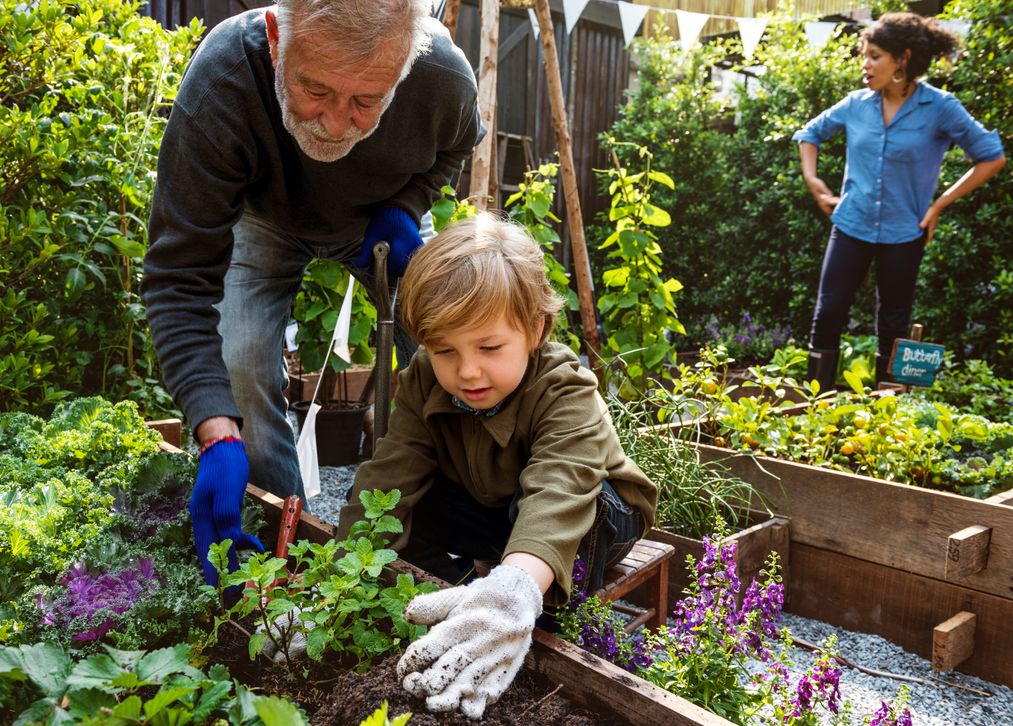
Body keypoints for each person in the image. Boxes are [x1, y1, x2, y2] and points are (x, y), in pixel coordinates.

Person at [140, 0, 482, 584]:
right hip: (264, 221)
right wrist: (216, 431)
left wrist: (406, 207)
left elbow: (456, 144)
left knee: (457, 345)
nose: (333, 121)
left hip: (379, 221)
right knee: (240, 370)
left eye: (366, 102)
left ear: (404, 68)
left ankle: (455, 527)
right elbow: (179, 278)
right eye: (314, 89)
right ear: (277, 38)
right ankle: (283, 547)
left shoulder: (441, 75)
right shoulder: (225, 78)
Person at [334, 213, 658, 718]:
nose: (467, 370)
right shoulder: (426, 379)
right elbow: (390, 473)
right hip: (492, 501)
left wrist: (517, 590)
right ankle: (464, 593)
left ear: (534, 329)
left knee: (569, 515)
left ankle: (532, 615)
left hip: (593, 510)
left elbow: (559, 488)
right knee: (405, 506)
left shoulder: (565, 388)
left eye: (489, 347)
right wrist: (336, 584)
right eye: (444, 350)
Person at [794, 12, 1005, 387]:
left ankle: (886, 416)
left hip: (905, 232)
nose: (865, 64)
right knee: (827, 314)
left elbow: (991, 156)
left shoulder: (939, 107)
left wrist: (939, 204)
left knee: (893, 324)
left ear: (902, 60)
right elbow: (810, 134)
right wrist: (813, 179)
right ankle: (814, 408)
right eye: (864, 54)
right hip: (851, 223)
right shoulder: (856, 104)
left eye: (874, 55)